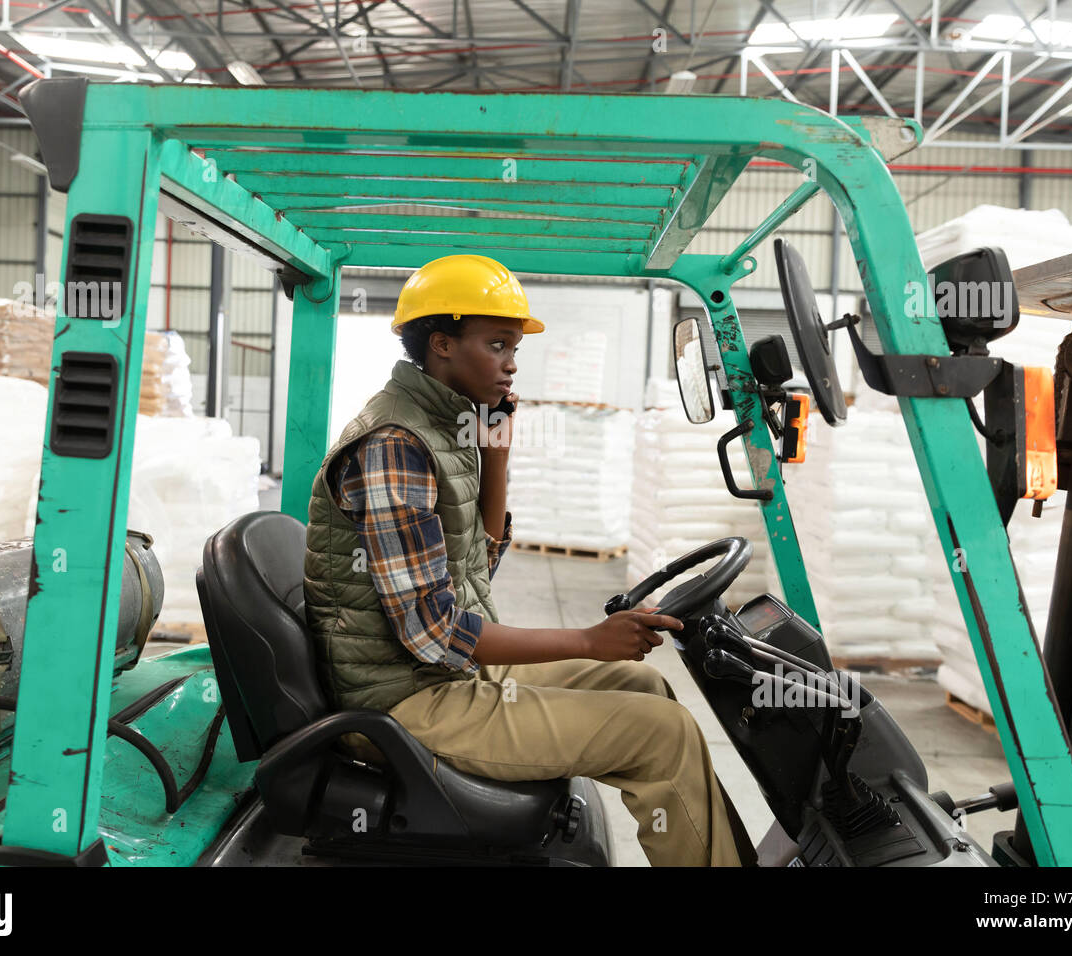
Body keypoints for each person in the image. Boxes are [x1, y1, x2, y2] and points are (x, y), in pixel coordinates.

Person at [302, 253, 757, 866]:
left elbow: (473, 575)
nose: (512, 363)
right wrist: (587, 640)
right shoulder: (396, 445)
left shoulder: (443, 429)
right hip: (405, 702)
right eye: (497, 344)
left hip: (439, 679)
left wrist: (496, 458)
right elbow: (433, 633)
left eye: (514, 347)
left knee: (644, 684)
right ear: (441, 344)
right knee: (663, 734)